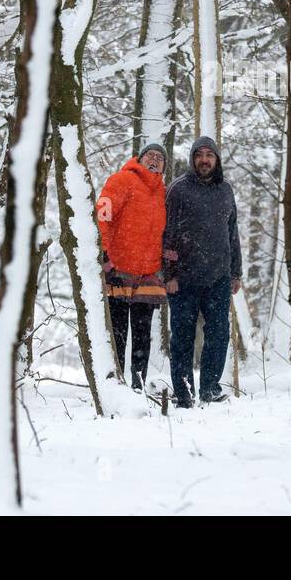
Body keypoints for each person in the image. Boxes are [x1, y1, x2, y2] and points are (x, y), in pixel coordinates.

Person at [161, 136, 242, 407]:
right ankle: (184, 393)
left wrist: (236, 272)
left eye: (209, 154)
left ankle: (209, 388)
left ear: (217, 159)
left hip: (218, 277)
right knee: (182, 337)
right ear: (193, 159)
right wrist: (169, 274)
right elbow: (167, 234)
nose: (204, 159)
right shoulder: (178, 189)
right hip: (183, 279)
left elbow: (232, 233)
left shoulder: (226, 190)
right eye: (199, 155)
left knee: (219, 335)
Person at [96, 142, 171, 390]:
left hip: (148, 274)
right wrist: (104, 256)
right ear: (139, 159)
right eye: (150, 155)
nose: (154, 160)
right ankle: (114, 387)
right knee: (117, 334)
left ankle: (138, 385)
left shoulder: (162, 192)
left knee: (142, 336)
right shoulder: (121, 180)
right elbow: (102, 215)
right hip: (117, 270)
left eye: (160, 158)